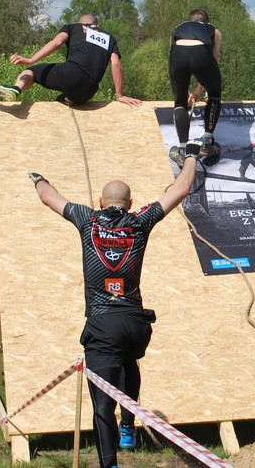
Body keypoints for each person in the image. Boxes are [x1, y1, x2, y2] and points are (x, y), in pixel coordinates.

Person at [30, 143, 202, 468]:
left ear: (100, 202)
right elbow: (181, 188)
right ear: (130, 203)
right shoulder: (140, 221)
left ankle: (110, 463)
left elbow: (46, 196)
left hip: (103, 322)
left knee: (101, 403)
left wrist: (37, 177)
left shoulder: (86, 219)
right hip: (136, 326)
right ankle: (128, 428)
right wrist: (192, 156)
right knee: (127, 358)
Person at [0, 14, 142, 107]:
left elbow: (57, 43)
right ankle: (68, 99)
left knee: (31, 72)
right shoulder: (109, 38)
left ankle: (15, 90)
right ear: (97, 25)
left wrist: (30, 59)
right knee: (63, 101)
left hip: (71, 74)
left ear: (81, 23)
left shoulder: (73, 27)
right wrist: (120, 95)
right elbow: (116, 64)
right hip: (89, 90)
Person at [169, 9, 223, 165]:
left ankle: (182, 150)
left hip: (178, 55)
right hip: (202, 54)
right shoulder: (213, 31)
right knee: (214, 91)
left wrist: (184, 91)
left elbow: (173, 57)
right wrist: (198, 91)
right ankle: (207, 143)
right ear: (207, 22)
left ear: (189, 20)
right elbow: (213, 61)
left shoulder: (178, 28)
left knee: (179, 102)